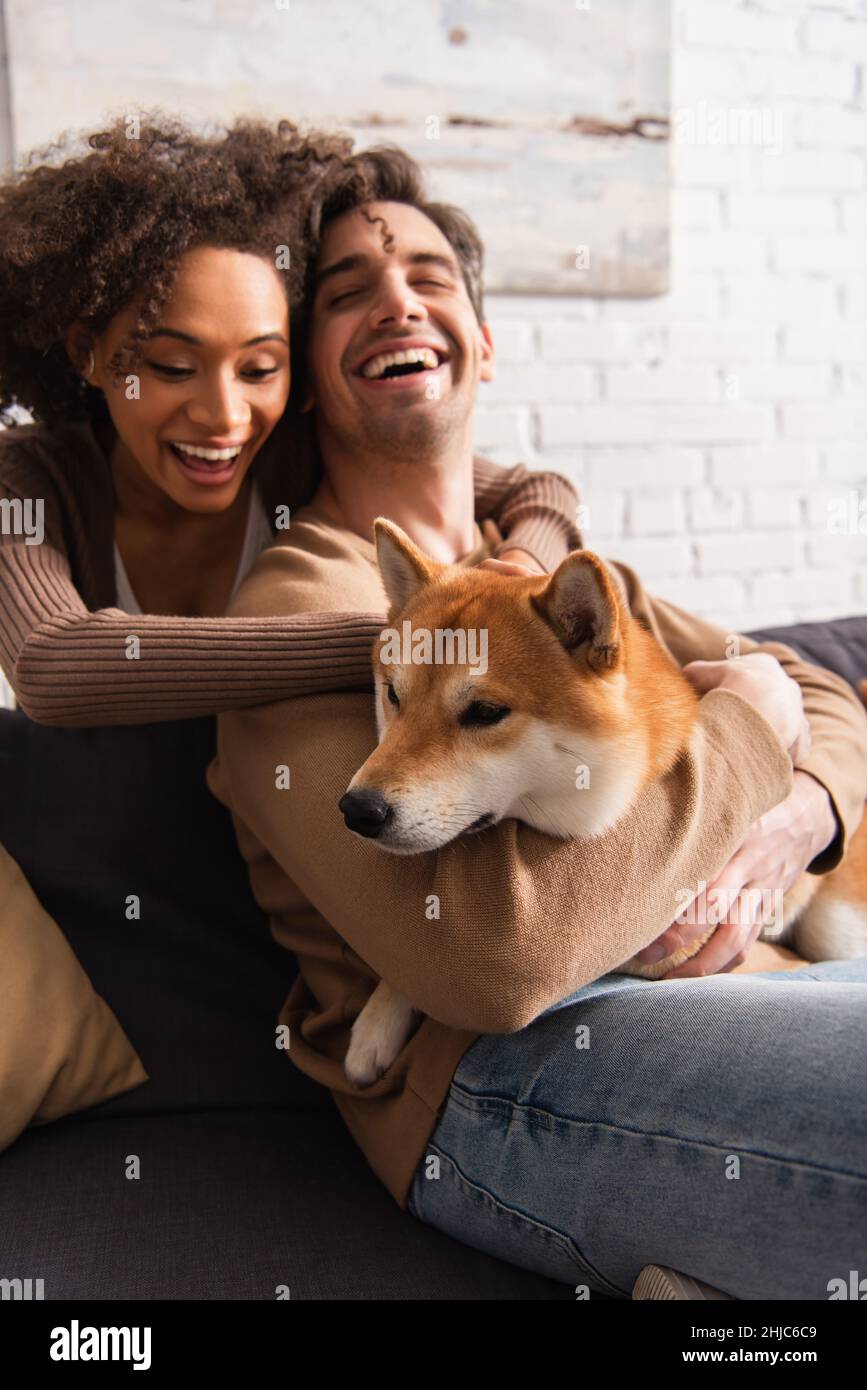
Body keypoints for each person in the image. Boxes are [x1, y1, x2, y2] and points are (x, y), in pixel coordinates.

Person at [205, 145, 867, 1300]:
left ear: (485, 340)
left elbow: (816, 690)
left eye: (429, 276)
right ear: (305, 375)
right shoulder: (298, 607)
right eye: (348, 290)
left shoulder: (549, 582)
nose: (397, 299)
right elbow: (492, 961)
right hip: (484, 1081)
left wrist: (799, 814)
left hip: (699, 996)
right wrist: (745, 738)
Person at [0, 116, 579, 728]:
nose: (224, 417)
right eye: (172, 366)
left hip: (256, 814)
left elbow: (538, 490)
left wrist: (525, 573)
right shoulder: (29, 480)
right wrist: (412, 639)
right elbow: (52, 666)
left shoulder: (292, 450)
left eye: (259, 369)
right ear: (87, 352)